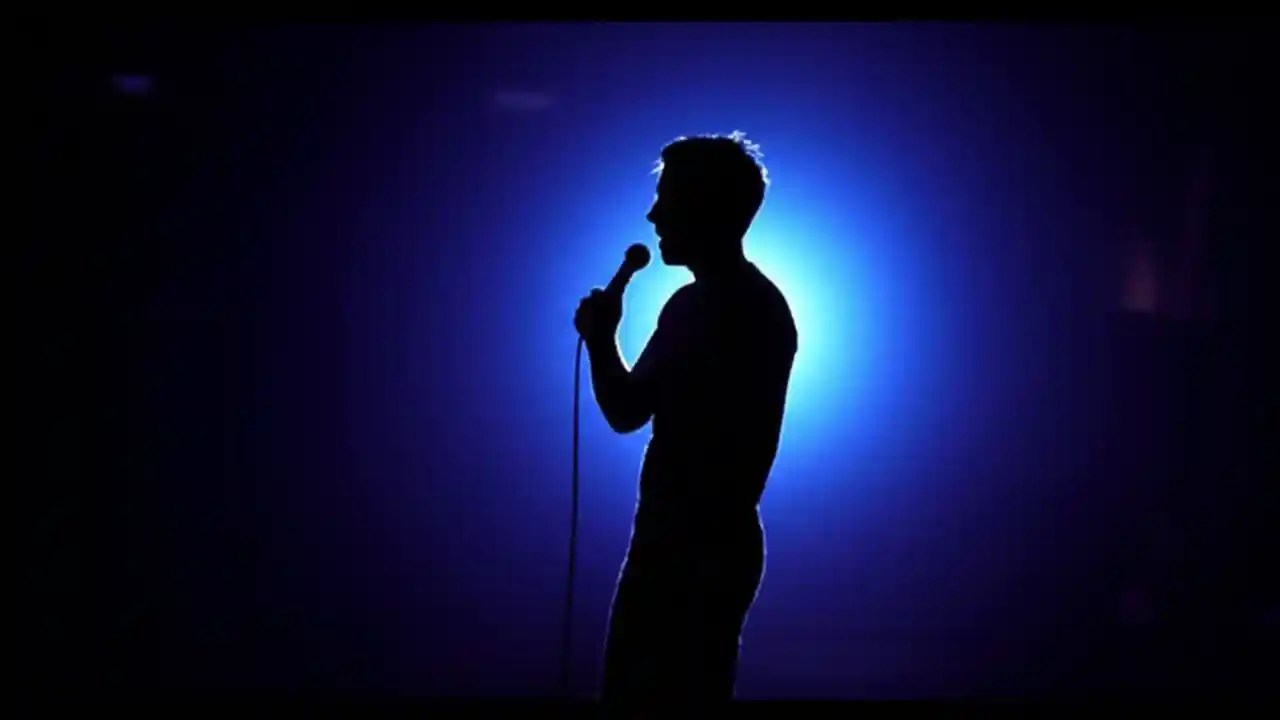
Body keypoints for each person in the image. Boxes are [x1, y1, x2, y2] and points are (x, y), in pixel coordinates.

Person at [573, 132, 797, 714]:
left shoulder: (719, 308)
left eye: (667, 197)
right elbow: (630, 410)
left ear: (704, 204)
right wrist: (603, 341)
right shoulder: (717, 304)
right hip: (695, 541)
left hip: (691, 548)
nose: (653, 213)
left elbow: (626, 411)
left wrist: (601, 340)